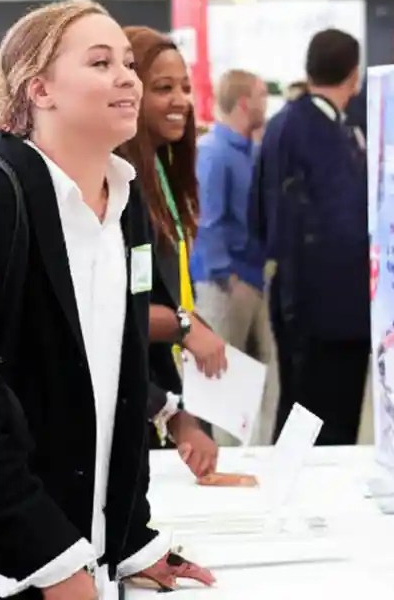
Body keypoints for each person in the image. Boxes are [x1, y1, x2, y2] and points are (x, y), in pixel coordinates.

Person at [0, 1, 215, 599]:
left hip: (87, 560)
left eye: (128, 62)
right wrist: (49, 556)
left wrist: (131, 543)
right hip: (4, 570)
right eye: (101, 63)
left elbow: (115, 390)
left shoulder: (122, 206)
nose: (128, 77)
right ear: (38, 89)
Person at [252, 28, 369, 445]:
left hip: (294, 293)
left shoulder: (284, 122)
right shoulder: (324, 134)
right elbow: (345, 224)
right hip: (331, 306)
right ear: (354, 75)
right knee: (328, 418)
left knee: (299, 408)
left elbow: (260, 212)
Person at [117, 25, 222, 475]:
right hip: (134, 403)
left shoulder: (160, 171)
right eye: (163, 88)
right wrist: (182, 326)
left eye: (185, 87)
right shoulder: (118, 183)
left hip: (166, 384)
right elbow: (112, 314)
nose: (180, 100)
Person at [192, 68, 277, 444]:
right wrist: (227, 276)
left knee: (260, 372)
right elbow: (206, 221)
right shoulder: (213, 153)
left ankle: (253, 456)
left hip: (255, 277)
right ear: (245, 102)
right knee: (222, 379)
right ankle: (224, 464)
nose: (265, 104)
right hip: (225, 283)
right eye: (261, 96)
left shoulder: (252, 152)